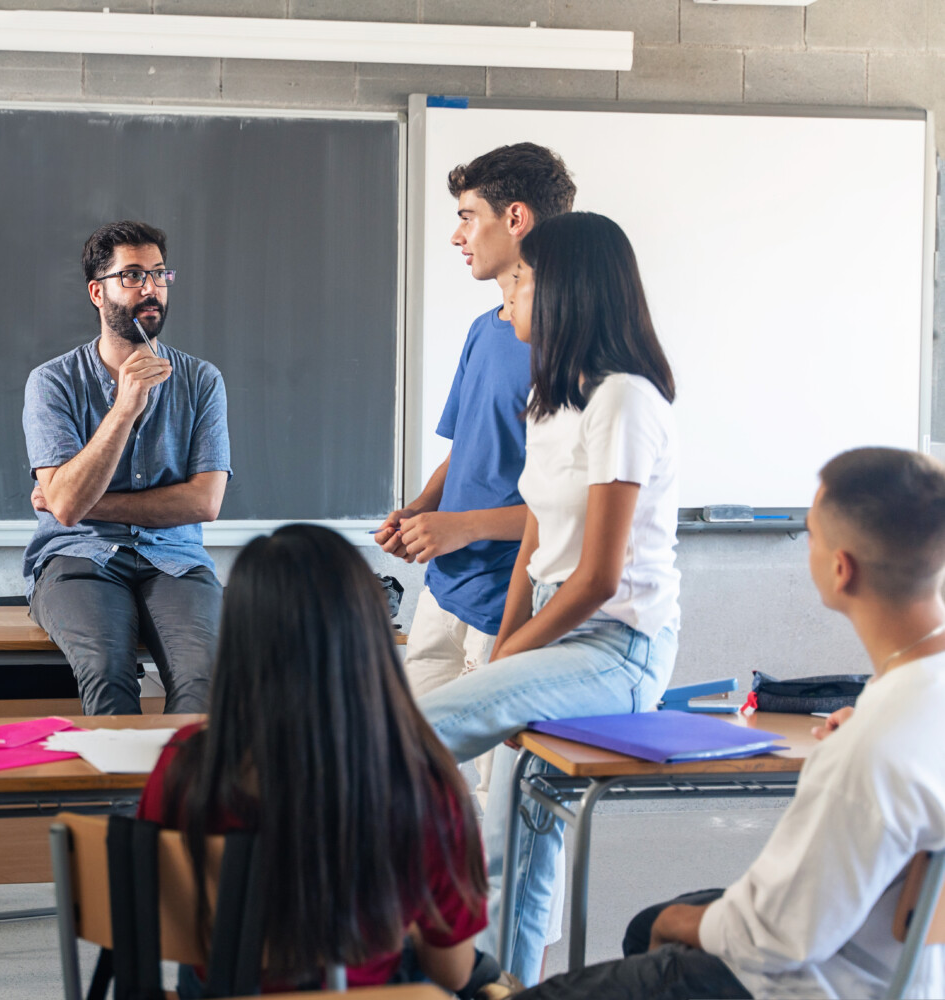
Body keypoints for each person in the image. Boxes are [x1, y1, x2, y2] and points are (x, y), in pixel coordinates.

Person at [519, 447, 945, 1000]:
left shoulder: (866, 751)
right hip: (907, 971)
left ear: (842, 569)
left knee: (653, 932)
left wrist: (680, 924)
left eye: (811, 535)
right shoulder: (902, 709)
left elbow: (778, 938)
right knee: (646, 925)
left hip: (812, 983)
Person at [418, 211, 681, 985]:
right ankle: (507, 984)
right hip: (554, 635)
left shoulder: (623, 400)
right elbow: (535, 546)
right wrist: (506, 651)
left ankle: (422, 954)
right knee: (519, 843)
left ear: (569, 293)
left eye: (522, 279)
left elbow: (599, 577)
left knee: (412, 734)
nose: (510, 294)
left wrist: (506, 664)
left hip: (616, 648)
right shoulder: (552, 400)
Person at [138, 524, 496, 995]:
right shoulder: (420, 781)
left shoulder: (187, 763)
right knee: (483, 974)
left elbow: (160, 911)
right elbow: (451, 971)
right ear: (367, 633)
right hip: (359, 988)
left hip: (231, 985)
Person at [375, 142, 575, 807]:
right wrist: (418, 510)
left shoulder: (568, 346)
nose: (458, 236)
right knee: (409, 779)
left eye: (468, 216)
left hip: (508, 606)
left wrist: (460, 526)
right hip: (445, 594)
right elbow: (465, 452)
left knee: (501, 807)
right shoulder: (485, 329)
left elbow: (573, 508)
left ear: (515, 219)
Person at [23, 220, 230, 716]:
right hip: (79, 558)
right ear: (98, 292)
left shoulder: (202, 381)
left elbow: (205, 503)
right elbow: (69, 511)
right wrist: (125, 408)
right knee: (107, 673)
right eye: (132, 276)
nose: (150, 288)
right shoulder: (51, 383)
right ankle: (121, 797)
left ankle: (178, 795)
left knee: (207, 680)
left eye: (159, 274)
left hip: (174, 559)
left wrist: (79, 500)